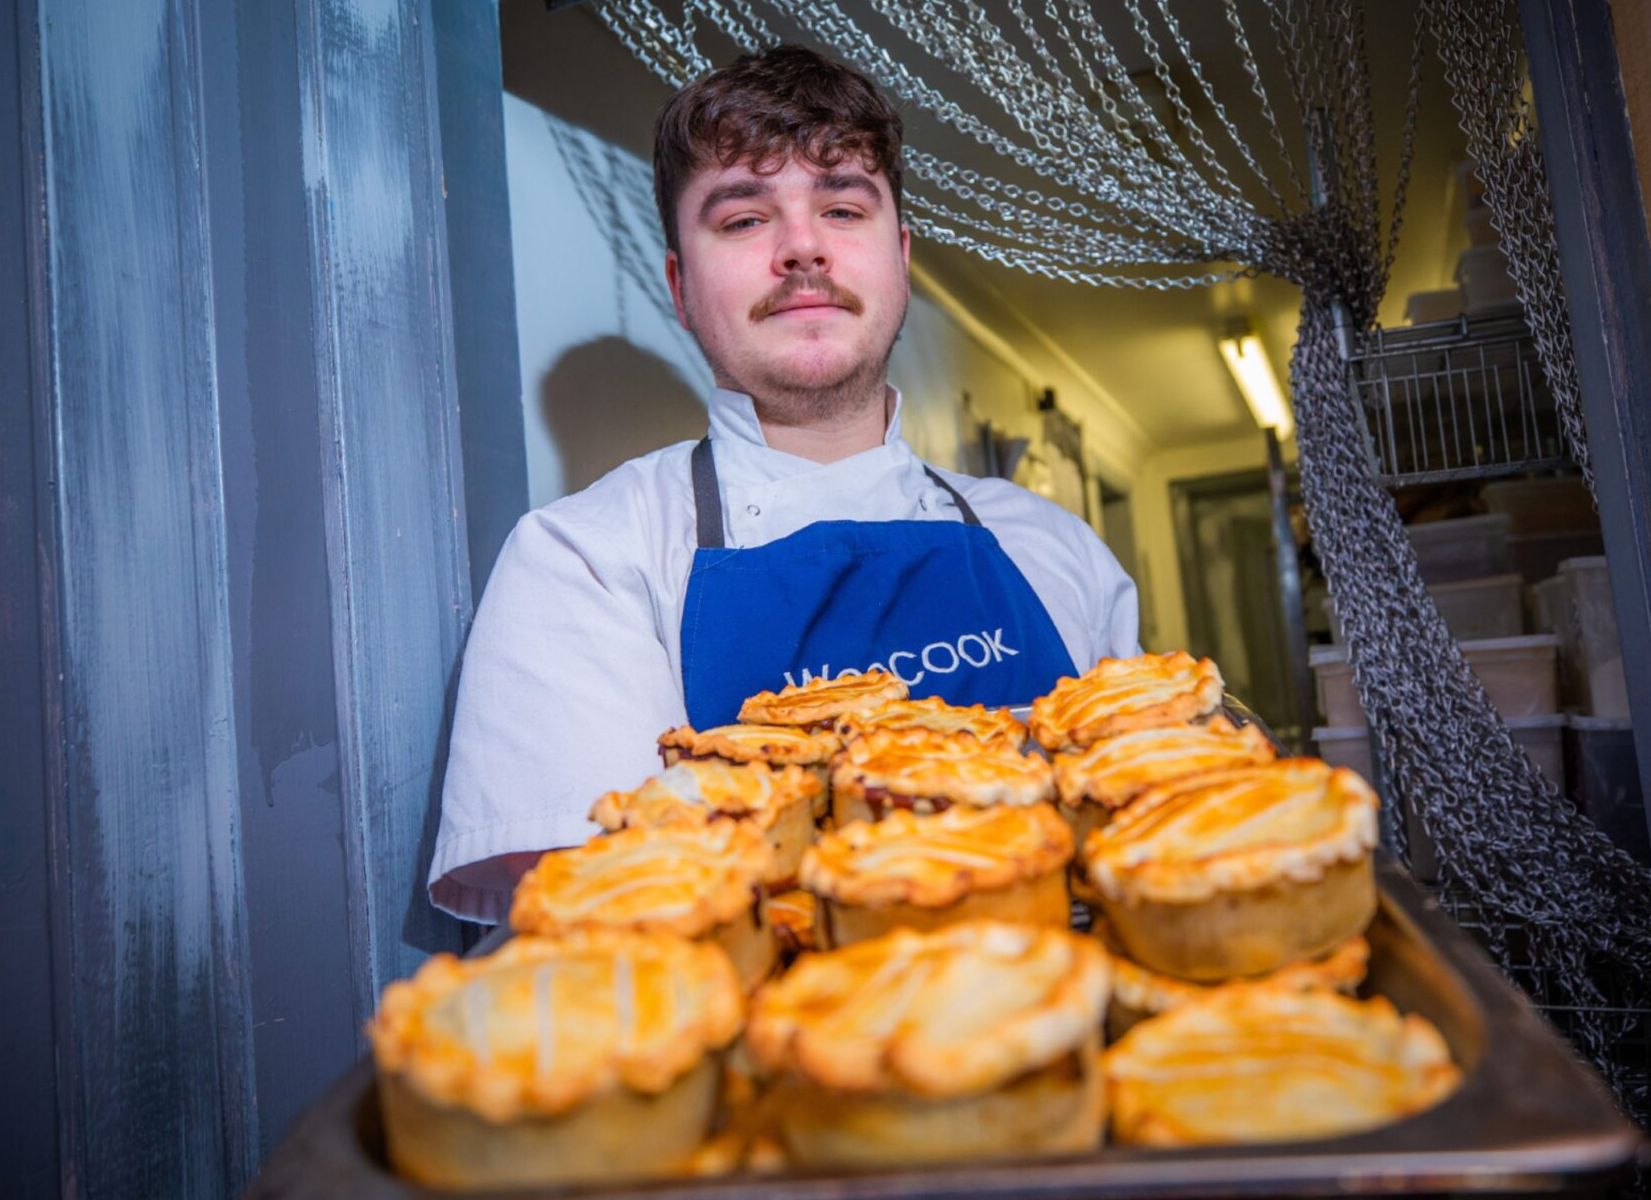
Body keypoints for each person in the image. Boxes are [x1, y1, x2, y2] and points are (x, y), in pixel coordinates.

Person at [428, 46, 1139, 922]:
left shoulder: (1053, 544)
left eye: (842, 208)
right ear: (682, 289)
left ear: (901, 259)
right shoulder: (586, 561)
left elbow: (1163, 834)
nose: (802, 247)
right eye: (742, 221)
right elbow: (607, 933)